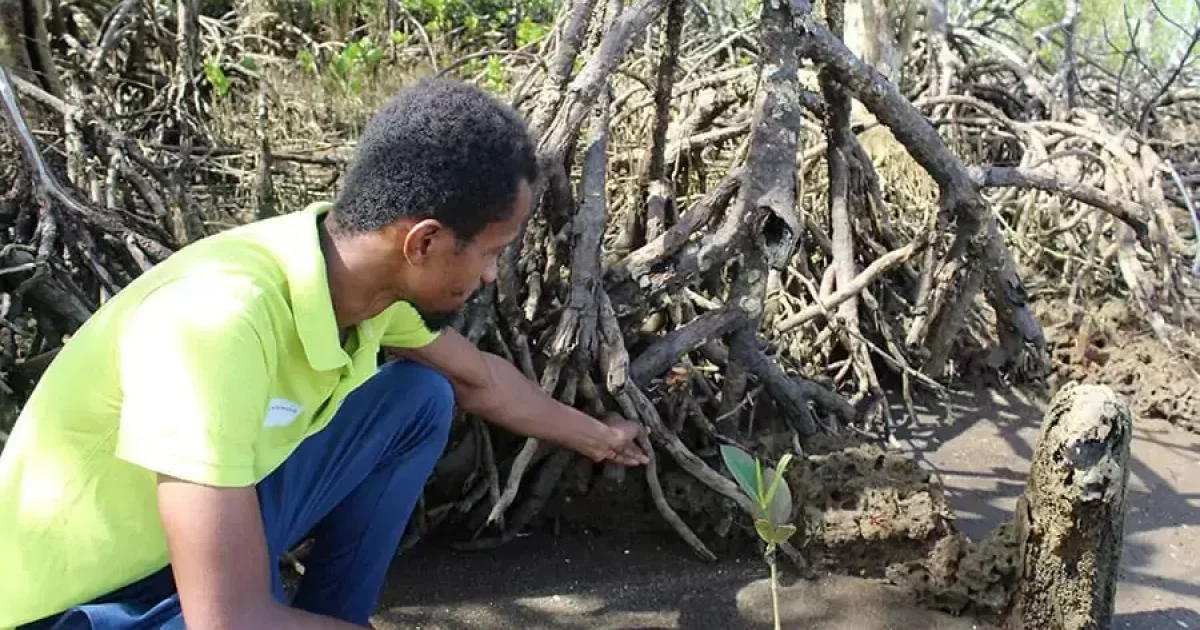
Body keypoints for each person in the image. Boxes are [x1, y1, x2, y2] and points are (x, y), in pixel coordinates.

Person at [0, 77, 649, 630]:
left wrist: (599, 437)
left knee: (417, 399)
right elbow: (227, 621)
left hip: (185, 551)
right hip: (83, 603)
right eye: (491, 251)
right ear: (422, 243)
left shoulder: (359, 280)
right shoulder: (217, 323)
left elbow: (480, 381)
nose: (489, 276)